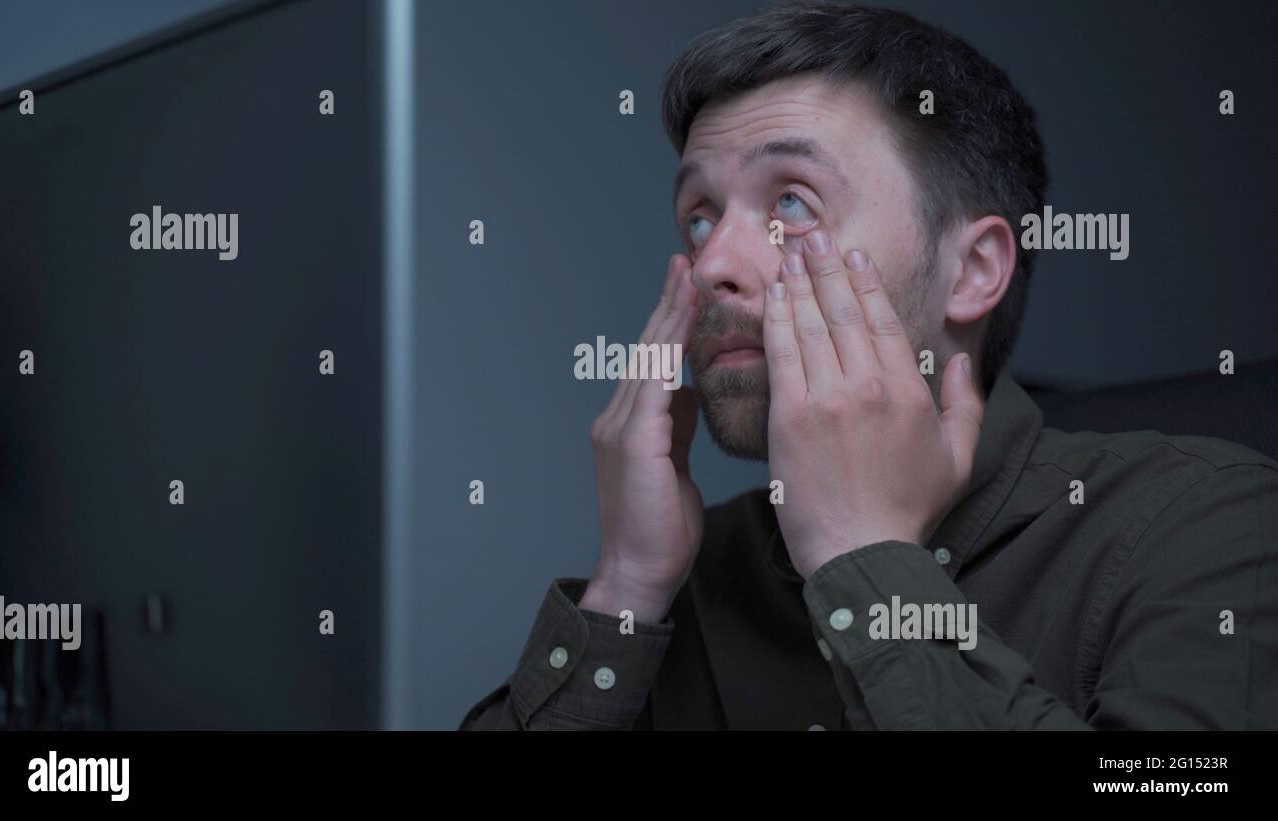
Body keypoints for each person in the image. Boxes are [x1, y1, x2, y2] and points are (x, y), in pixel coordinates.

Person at [460, 2, 1278, 730]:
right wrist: (625, 589)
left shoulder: (1212, 526)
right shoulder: (687, 579)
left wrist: (867, 559)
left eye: (790, 202)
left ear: (974, 270)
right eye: (701, 217)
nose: (713, 267)